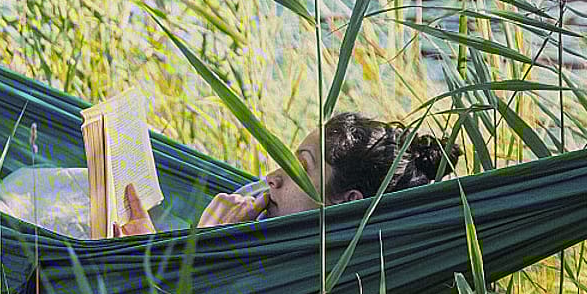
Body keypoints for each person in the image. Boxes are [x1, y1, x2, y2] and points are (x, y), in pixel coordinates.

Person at [115, 112, 461, 236]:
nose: (272, 178)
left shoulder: (295, 279)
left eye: (300, 167)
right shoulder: (272, 239)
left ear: (347, 202)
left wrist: (207, 244)